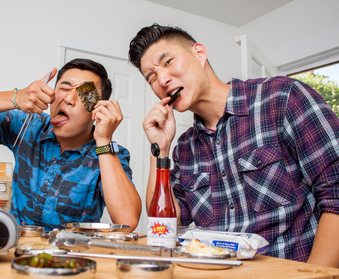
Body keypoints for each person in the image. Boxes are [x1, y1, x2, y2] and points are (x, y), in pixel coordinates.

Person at [128, 23, 339, 266]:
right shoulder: (184, 149)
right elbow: (166, 228)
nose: (162, 80)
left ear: (199, 53)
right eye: (151, 77)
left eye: (167, 63)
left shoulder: (283, 98)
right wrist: (160, 150)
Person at [0, 58, 141, 231]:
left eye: (84, 93)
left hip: (72, 261)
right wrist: (16, 97)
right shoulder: (28, 125)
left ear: (98, 108)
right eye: (64, 88)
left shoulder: (109, 154)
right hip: (17, 254)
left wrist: (104, 141)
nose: (68, 98)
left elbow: (127, 221)